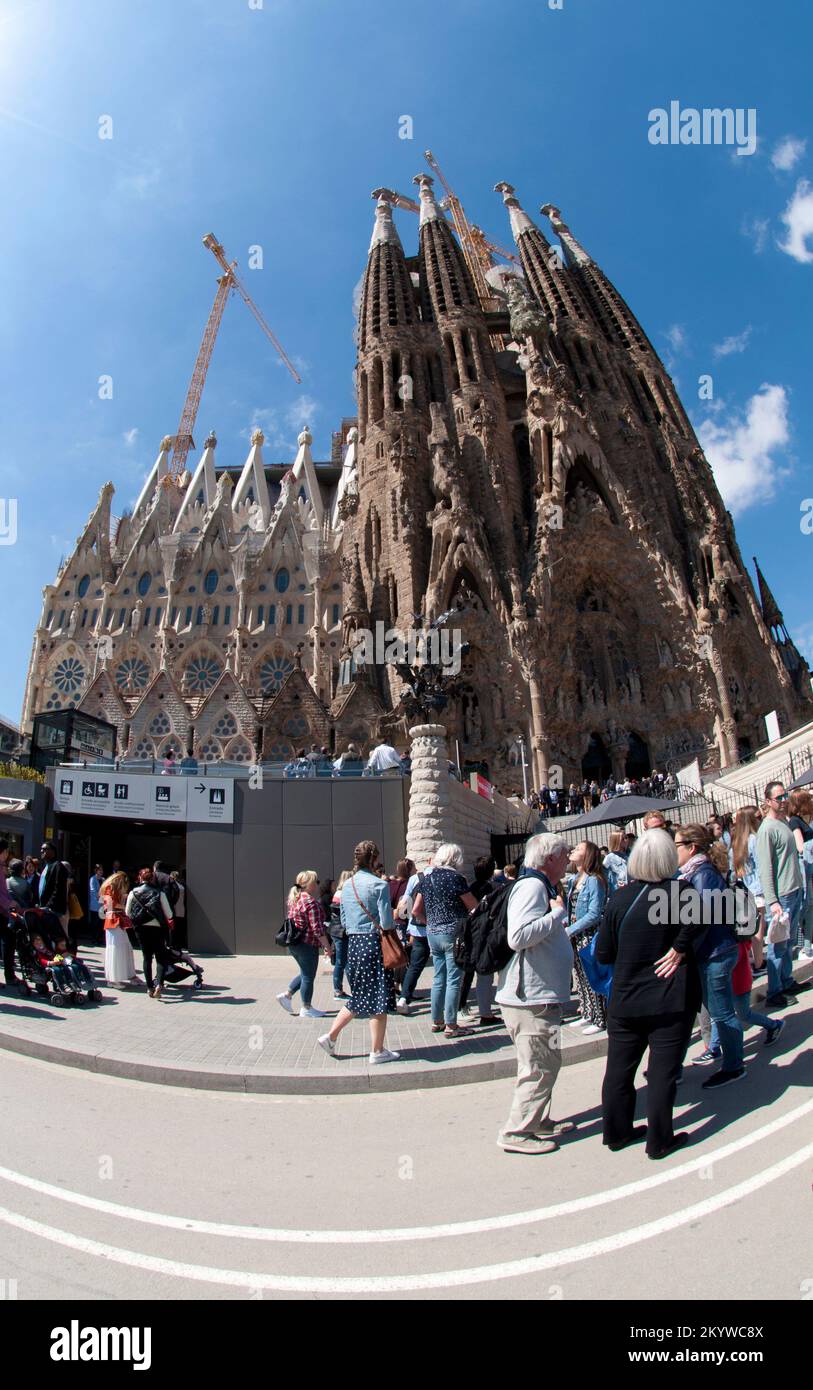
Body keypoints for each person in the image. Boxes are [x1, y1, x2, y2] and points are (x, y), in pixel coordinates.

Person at [596, 829, 705, 1159]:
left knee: (618, 1070)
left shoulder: (619, 899)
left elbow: (603, 954)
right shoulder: (681, 893)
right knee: (662, 1073)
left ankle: (616, 1132)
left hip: (626, 998)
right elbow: (705, 921)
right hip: (670, 999)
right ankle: (659, 1139)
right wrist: (679, 948)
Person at [494, 833, 576, 1156]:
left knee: (545, 1061)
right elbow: (518, 936)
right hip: (528, 999)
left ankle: (537, 1119)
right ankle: (516, 1131)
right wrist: (556, 915)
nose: (568, 858)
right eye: (564, 854)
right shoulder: (532, 887)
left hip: (538, 997)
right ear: (549, 859)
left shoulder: (539, 885)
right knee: (538, 1065)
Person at [317, 840, 400, 1064]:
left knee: (363, 995)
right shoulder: (379, 885)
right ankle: (377, 1050)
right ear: (374, 859)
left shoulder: (347, 886)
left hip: (354, 943)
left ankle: (332, 1037)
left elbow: (343, 920)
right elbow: (386, 922)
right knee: (379, 996)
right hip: (374, 943)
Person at [675, 825, 744, 1088]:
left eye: (677, 845)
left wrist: (683, 948)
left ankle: (735, 1065)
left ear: (691, 848)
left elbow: (700, 919)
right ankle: (720, 1054)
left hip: (715, 951)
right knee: (718, 1010)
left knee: (723, 1013)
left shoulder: (702, 875)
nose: (674, 851)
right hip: (715, 949)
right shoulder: (696, 873)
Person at [411, 843, 478, 1038]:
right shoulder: (455, 878)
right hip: (453, 932)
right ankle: (451, 1024)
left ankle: (436, 1021)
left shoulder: (427, 877)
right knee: (454, 979)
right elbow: (473, 906)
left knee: (438, 977)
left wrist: (430, 922)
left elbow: (416, 910)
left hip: (433, 932)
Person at [756, 781, 806, 1005]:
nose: (784, 800)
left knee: (788, 943)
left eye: (785, 796)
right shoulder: (766, 829)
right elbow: (765, 868)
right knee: (777, 946)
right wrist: (772, 900)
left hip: (794, 889)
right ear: (768, 802)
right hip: (781, 895)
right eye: (779, 797)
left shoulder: (784, 822)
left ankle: (786, 980)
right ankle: (774, 992)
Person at [566, 840, 609, 1034]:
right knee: (580, 975)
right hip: (576, 933)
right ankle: (587, 1012)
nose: (574, 850)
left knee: (592, 975)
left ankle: (601, 1018)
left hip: (588, 934)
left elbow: (594, 912)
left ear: (588, 854)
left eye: (579, 848)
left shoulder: (594, 880)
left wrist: (571, 928)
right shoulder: (575, 878)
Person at [276, 871, 331, 1017]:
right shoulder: (311, 902)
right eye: (316, 881)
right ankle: (306, 1008)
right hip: (307, 944)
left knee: (305, 973)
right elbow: (317, 929)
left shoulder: (295, 898)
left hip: (295, 943)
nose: (318, 885)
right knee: (308, 976)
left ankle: (287, 995)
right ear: (310, 884)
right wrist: (327, 947)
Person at [458, 856, 501, 1024]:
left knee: (467, 973)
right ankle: (485, 1012)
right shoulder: (496, 888)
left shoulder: (470, 888)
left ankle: (461, 1006)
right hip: (489, 935)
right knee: (486, 974)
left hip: (472, 934)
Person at [126, 867, 175, 1000]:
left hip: (141, 930)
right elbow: (169, 914)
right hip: (157, 929)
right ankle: (159, 984)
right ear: (152, 878)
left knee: (147, 958)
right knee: (160, 958)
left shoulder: (133, 893)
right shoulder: (160, 893)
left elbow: (127, 912)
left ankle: (149, 988)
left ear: (140, 878)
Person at [395, 858, 433, 1015]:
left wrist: (403, 914)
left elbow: (404, 901)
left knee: (415, 965)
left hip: (418, 928)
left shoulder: (415, 878)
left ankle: (404, 998)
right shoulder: (448, 876)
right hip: (441, 927)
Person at [730, 806, 766, 970]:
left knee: (751, 928)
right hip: (758, 889)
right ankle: (759, 963)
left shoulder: (736, 842)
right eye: (758, 816)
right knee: (759, 929)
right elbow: (762, 865)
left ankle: (754, 961)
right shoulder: (754, 839)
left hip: (744, 889)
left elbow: (734, 871)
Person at [100, 870, 138, 989]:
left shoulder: (110, 888)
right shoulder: (109, 888)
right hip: (113, 920)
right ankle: (113, 979)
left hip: (117, 920)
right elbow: (110, 905)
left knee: (123, 948)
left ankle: (123, 976)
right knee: (115, 949)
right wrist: (125, 902)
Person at [787, 789, 813, 959]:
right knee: (807, 907)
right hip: (806, 871)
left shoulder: (802, 820)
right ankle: (805, 946)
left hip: (810, 868)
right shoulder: (795, 822)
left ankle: (807, 944)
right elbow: (800, 847)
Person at [0, 839, 24, 989]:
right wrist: (9, 903)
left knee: (8, 941)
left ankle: (10, 975)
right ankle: (9, 976)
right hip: (2, 910)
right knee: (8, 941)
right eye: (6, 851)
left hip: (3, 911)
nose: (7, 854)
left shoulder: (1, 867)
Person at [328, 871, 351, 1000]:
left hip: (336, 931)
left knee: (342, 961)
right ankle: (337, 990)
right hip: (341, 931)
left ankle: (342, 988)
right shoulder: (344, 894)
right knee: (341, 962)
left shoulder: (337, 893)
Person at [37, 843, 70, 933]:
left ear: (52, 851)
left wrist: (49, 906)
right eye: (41, 849)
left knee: (56, 940)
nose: (41, 851)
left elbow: (58, 888)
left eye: (44, 849)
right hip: (44, 909)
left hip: (53, 911)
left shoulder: (58, 866)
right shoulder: (46, 867)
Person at [603, 830, 629, 896]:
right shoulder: (610, 858)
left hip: (631, 891)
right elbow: (604, 877)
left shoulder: (629, 855)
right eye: (623, 839)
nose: (626, 840)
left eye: (626, 837)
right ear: (617, 841)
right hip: (617, 894)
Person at [169, 870, 187, 949]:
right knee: (180, 929)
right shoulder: (182, 886)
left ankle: (173, 945)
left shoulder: (172, 886)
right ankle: (179, 945)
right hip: (181, 910)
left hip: (174, 910)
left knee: (173, 930)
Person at [88, 863, 105, 943]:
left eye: (102, 870)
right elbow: (93, 890)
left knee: (101, 923)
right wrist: (100, 897)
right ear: (96, 871)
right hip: (95, 904)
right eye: (99, 870)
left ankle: (99, 938)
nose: (101, 872)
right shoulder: (92, 879)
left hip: (102, 904)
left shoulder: (103, 879)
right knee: (94, 922)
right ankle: (93, 938)